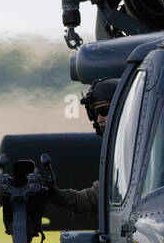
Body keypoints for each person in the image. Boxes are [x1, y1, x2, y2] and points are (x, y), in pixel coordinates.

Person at [49, 78, 117, 214]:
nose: (99, 119)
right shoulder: (120, 150)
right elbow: (96, 198)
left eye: (104, 111)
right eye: (96, 113)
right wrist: (55, 194)